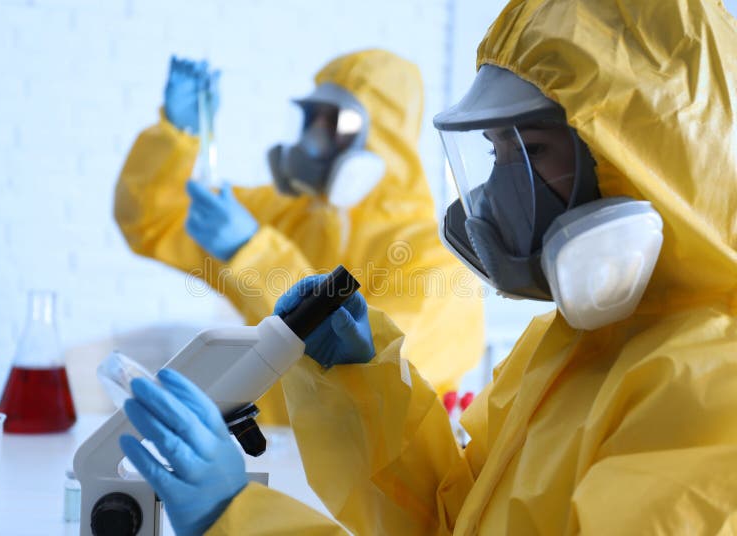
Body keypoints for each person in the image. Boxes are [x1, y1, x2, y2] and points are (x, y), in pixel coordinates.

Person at [118, 0, 737, 534]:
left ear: (646, 156)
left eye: (531, 148)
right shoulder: (566, 347)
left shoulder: (711, 391)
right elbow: (453, 517)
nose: (503, 187)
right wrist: (360, 383)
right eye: (495, 150)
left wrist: (239, 517)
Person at [114, 49, 485, 425]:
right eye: (312, 118)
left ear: (382, 139)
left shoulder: (439, 256)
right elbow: (153, 222)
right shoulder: (288, 217)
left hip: (376, 458)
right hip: (275, 446)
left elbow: (365, 362)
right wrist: (176, 139)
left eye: (334, 122)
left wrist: (254, 254)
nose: (313, 139)